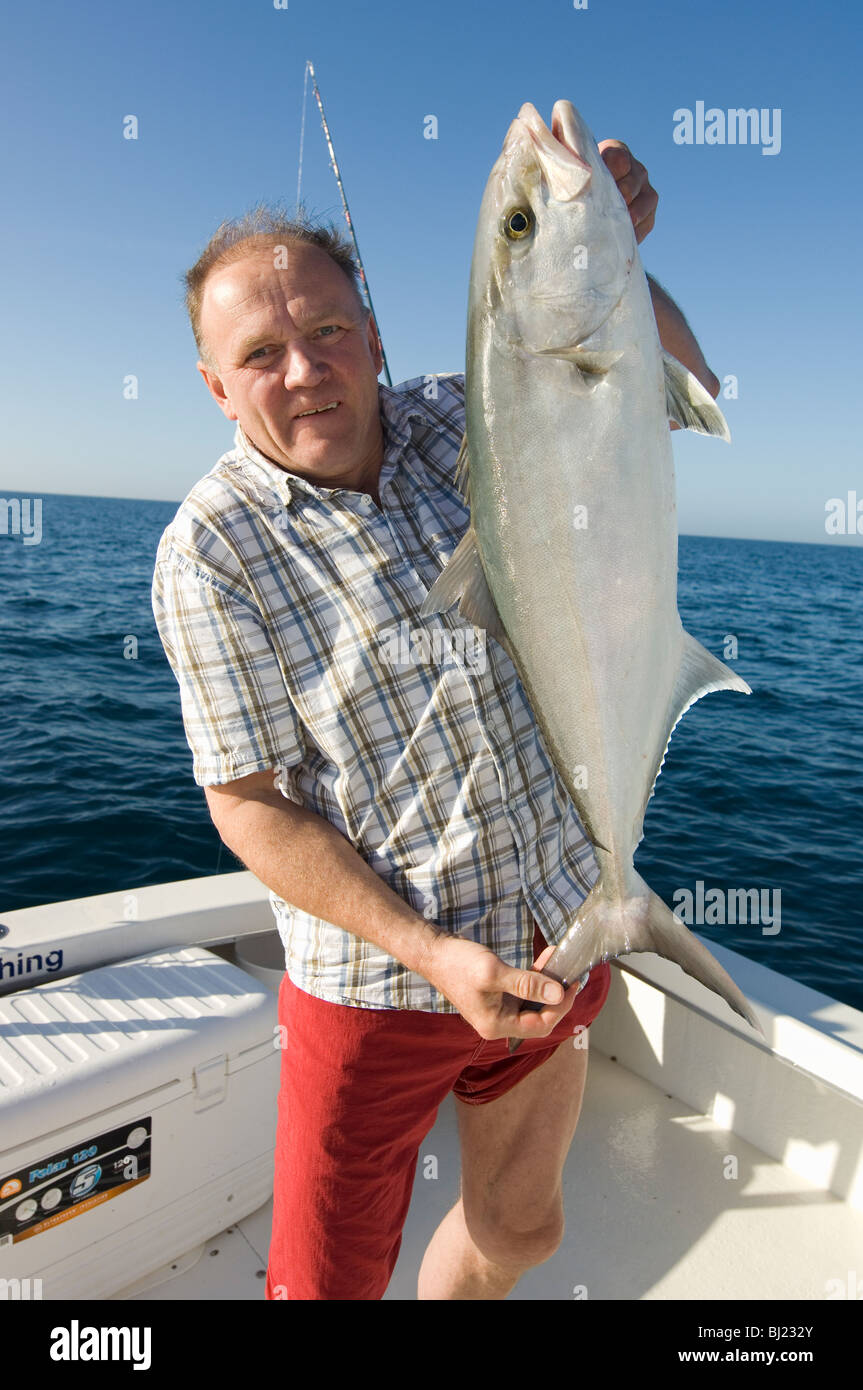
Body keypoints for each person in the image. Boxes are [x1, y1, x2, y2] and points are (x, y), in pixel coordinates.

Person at [151, 138, 720, 1301]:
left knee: (521, 1230)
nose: (304, 370)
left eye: (325, 331)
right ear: (216, 385)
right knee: (321, 1288)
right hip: (377, 988)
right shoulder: (209, 552)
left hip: (554, 928)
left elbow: (672, 390)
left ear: (370, 329)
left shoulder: (466, 420)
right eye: (259, 353)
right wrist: (428, 952)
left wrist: (612, 258)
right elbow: (249, 807)